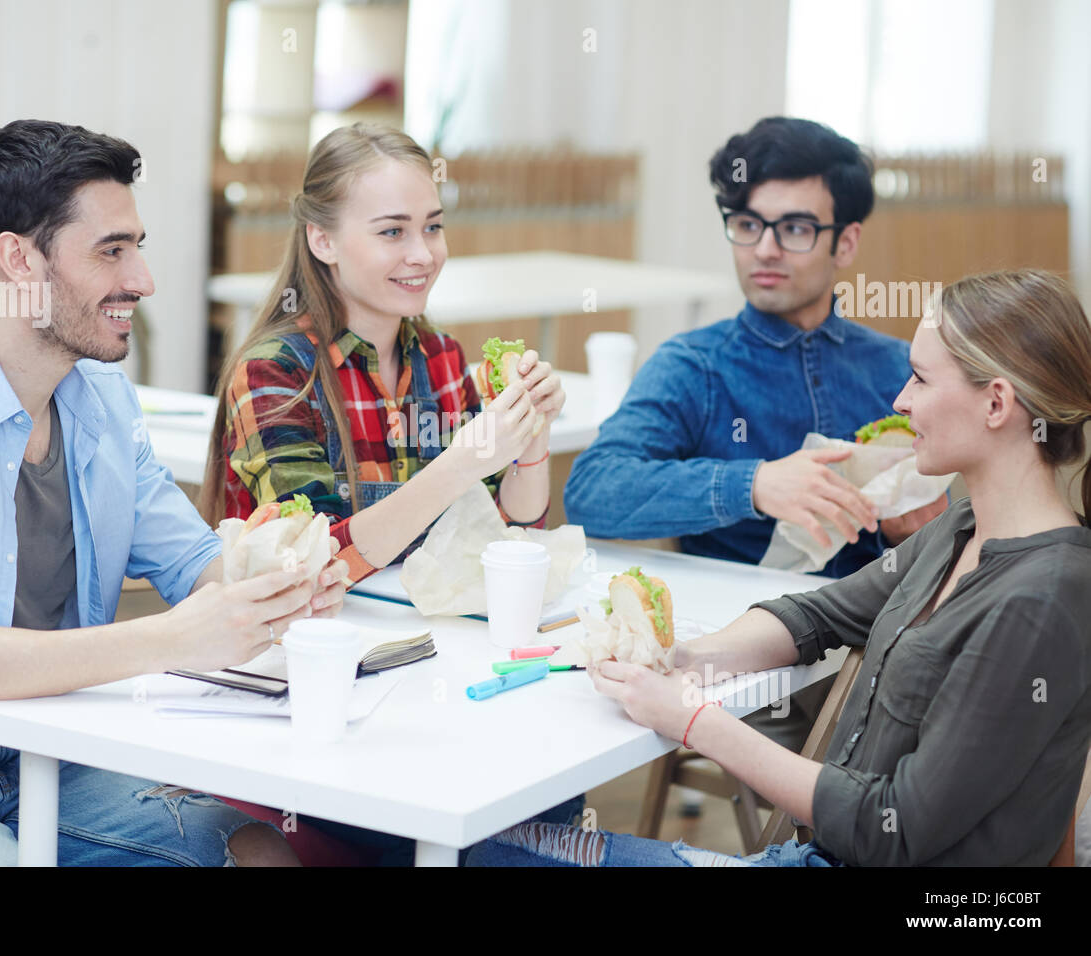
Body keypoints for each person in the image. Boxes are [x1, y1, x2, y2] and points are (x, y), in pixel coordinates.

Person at [0, 120, 349, 867]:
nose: (143, 280)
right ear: (18, 259)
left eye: (138, 247)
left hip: (39, 765)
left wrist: (282, 578)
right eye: (111, 250)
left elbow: (198, 567)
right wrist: (174, 639)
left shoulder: (102, 404)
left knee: (261, 856)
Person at [469, 269, 1091, 866]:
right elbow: (821, 613)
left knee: (497, 853)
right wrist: (678, 661)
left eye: (922, 381)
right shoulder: (961, 530)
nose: (902, 401)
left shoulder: (1041, 598)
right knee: (503, 846)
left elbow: (889, 828)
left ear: (997, 404)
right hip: (809, 854)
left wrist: (691, 720)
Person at [199, 123, 578, 863]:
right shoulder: (275, 371)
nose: (422, 253)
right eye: (392, 231)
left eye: (433, 227)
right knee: (520, 840)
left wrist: (529, 444)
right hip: (300, 703)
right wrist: (464, 460)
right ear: (323, 240)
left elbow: (497, 529)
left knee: (546, 793)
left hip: (414, 669)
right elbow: (319, 565)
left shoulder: (437, 353)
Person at [565, 117, 947, 578]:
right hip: (731, 629)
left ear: (845, 243)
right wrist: (754, 484)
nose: (765, 249)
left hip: (872, 626)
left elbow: (953, 533)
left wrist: (911, 533)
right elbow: (591, 491)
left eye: (795, 228)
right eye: (748, 224)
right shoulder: (693, 366)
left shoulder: (900, 367)